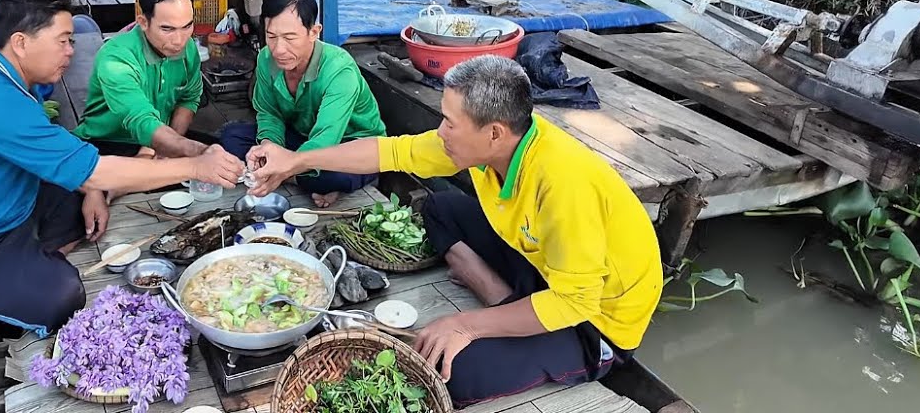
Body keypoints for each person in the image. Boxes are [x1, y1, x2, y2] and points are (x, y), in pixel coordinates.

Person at [245, 55, 662, 406]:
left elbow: (575, 303)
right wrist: (295, 161)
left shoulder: (563, 183)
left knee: (448, 372)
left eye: (449, 122)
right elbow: (392, 151)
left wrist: (467, 325)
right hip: (543, 266)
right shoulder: (490, 147)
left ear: (494, 132)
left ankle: (505, 308)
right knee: (442, 207)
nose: (440, 132)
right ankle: (503, 299)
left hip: (593, 321)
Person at [0, 0, 241, 337]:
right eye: (63, 40)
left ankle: (28, 261)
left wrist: (93, 187)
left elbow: (79, 164)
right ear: (21, 42)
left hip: (4, 208)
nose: (70, 52)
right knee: (63, 294)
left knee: (82, 199)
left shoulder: (2, 81)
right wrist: (196, 165)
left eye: (72, 41)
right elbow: (100, 164)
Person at [219, 0, 387, 208]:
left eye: (290, 38)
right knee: (231, 137)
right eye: (271, 36)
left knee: (337, 177)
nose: (279, 49)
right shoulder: (266, 59)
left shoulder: (339, 70)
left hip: (349, 144)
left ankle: (307, 179)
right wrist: (269, 149)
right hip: (303, 136)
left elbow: (327, 139)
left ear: (314, 32)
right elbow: (269, 113)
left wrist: (281, 169)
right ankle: (307, 181)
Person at [76, 0, 218, 160]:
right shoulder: (116, 58)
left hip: (161, 137)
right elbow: (139, 118)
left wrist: (170, 147)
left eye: (187, 26)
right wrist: (191, 151)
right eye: (167, 29)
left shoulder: (188, 48)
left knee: (224, 153)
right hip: (108, 142)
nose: (179, 40)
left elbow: (189, 98)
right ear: (143, 22)